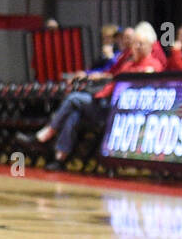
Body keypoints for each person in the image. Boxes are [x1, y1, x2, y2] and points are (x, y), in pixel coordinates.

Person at [15, 27, 164, 171]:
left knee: (74, 99)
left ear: (150, 46)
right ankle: (59, 158)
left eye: (140, 44)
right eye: (134, 44)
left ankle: (46, 135)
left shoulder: (153, 66)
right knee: (74, 113)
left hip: (122, 111)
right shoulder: (128, 64)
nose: (136, 47)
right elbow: (112, 77)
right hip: (105, 105)